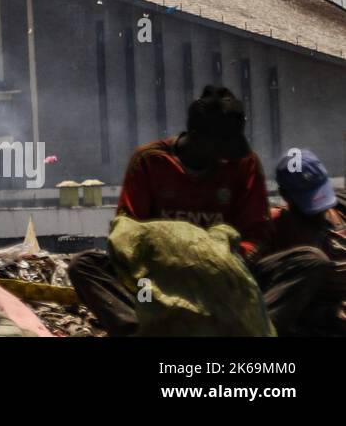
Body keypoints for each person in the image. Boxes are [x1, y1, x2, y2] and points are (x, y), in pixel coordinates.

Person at [69, 85, 330, 335]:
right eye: (222, 147)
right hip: (159, 282)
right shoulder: (150, 162)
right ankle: (140, 331)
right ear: (198, 136)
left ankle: (253, 331)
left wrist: (228, 263)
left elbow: (257, 230)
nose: (227, 157)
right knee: (84, 265)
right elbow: (127, 233)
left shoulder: (243, 164)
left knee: (310, 262)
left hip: (230, 281)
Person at [267, 149, 346, 334]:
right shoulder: (276, 227)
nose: (319, 212)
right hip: (316, 320)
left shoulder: (342, 208)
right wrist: (328, 315)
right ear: (285, 195)